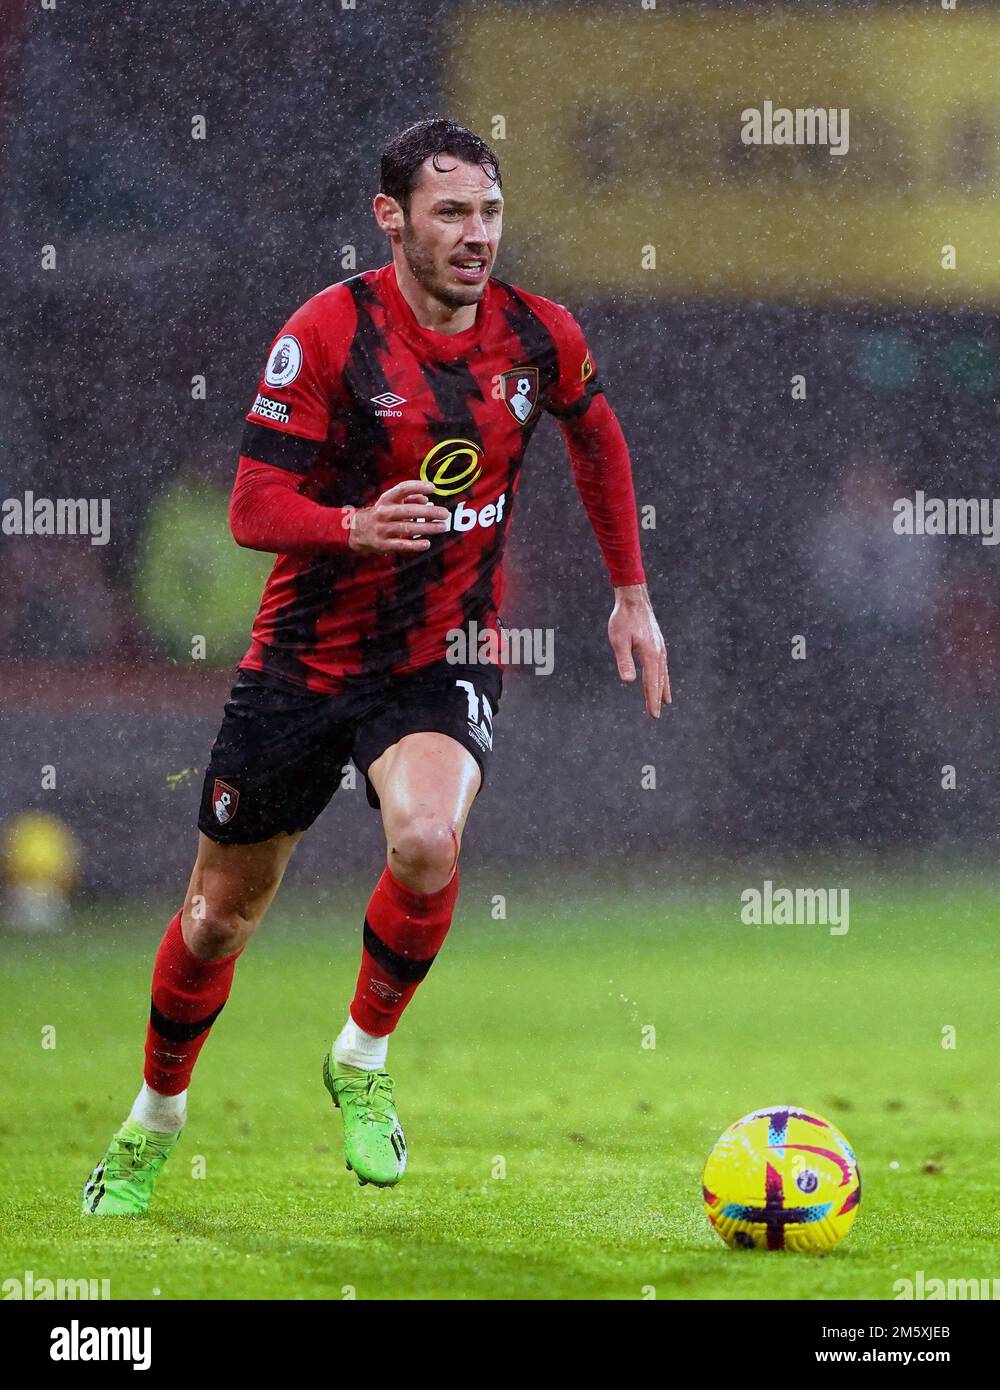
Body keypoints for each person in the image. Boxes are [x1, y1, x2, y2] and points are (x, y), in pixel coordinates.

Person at [83, 118, 670, 1214]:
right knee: (218, 915)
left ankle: (360, 1056)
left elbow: (596, 434)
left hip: (439, 650)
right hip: (304, 659)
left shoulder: (539, 339)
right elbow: (252, 507)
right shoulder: (327, 334)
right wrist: (351, 524)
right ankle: (154, 1115)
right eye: (451, 212)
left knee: (428, 838)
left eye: (489, 212)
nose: (477, 235)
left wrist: (630, 593)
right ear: (390, 218)